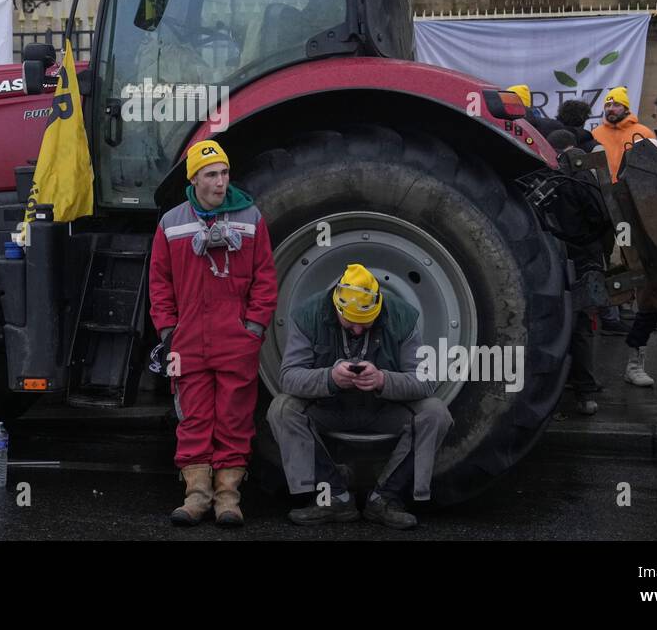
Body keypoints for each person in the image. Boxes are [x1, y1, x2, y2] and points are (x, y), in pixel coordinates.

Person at [148, 140, 277, 526]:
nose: (221, 183)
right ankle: (197, 497)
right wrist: (169, 330)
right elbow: (160, 283)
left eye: (224, 174)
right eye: (211, 175)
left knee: (234, 418)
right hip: (187, 342)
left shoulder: (251, 218)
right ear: (195, 180)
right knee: (194, 419)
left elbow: (265, 280)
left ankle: (228, 499)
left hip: (234, 340)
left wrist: (252, 329)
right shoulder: (172, 224)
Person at [268, 264, 454, 528]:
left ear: (378, 308)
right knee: (282, 408)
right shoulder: (308, 315)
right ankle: (334, 497)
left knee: (435, 413)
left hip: (383, 409)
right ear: (337, 307)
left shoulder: (403, 317)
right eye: (350, 322)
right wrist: (330, 378)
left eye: (365, 322)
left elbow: (424, 381)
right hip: (328, 408)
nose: (357, 330)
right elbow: (288, 377)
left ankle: (385, 499)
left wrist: (382, 380)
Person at [546, 129, 601, 415]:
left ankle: (556, 393)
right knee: (584, 327)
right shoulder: (586, 176)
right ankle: (586, 392)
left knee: (557, 325)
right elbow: (600, 216)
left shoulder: (549, 179)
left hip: (557, 260)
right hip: (588, 261)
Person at [591, 86, 655, 181]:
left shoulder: (644, 133)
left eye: (616, 105)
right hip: (603, 191)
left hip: (633, 190)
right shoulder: (595, 133)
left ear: (626, 109)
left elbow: (655, 166)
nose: (611, 109)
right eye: (607, 105)